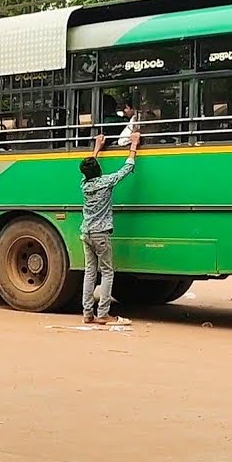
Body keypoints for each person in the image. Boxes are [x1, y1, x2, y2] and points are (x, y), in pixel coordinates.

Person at [79, 131, 141, 324]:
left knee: (90, 272)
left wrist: (97, 148)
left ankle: (88, 313)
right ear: (98, 170)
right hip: (101, 234)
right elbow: (127, 168)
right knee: (106, 272)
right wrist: (134, 144)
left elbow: (90, 168)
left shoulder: (84, 185)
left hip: (86, 232)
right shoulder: (106, 182)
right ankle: (103, 313)